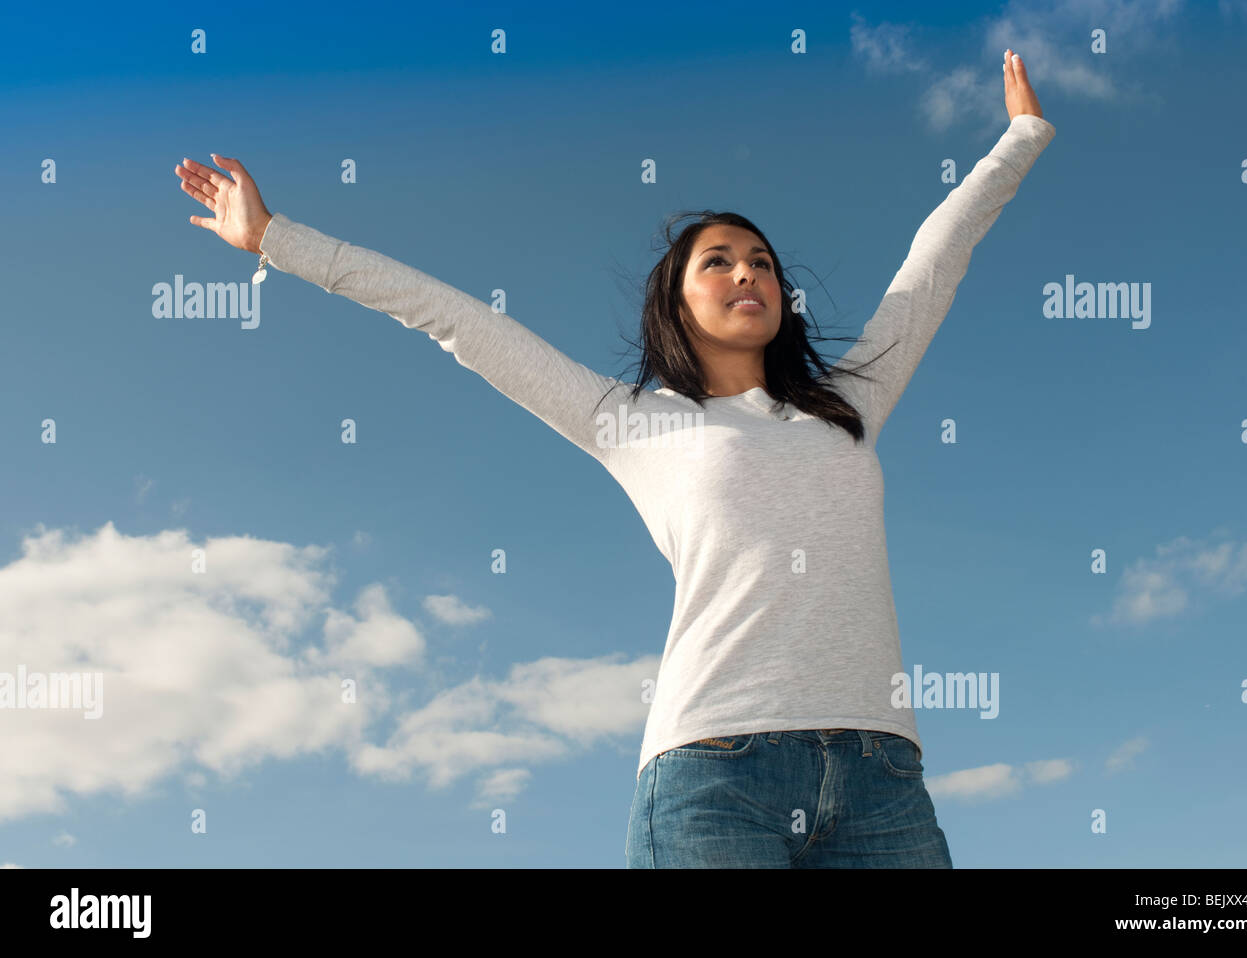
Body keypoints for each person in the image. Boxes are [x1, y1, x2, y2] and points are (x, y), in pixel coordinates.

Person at [174, 49, 1053, 868]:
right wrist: (276, 241)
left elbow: (934, 261)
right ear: (675, 300)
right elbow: (455, 320)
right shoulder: (628, 421)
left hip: (881, 778)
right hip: (717, 772)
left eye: (762, 262)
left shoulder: (849, 406)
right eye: (719, 262)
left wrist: (1018, 140)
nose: (748, 273)